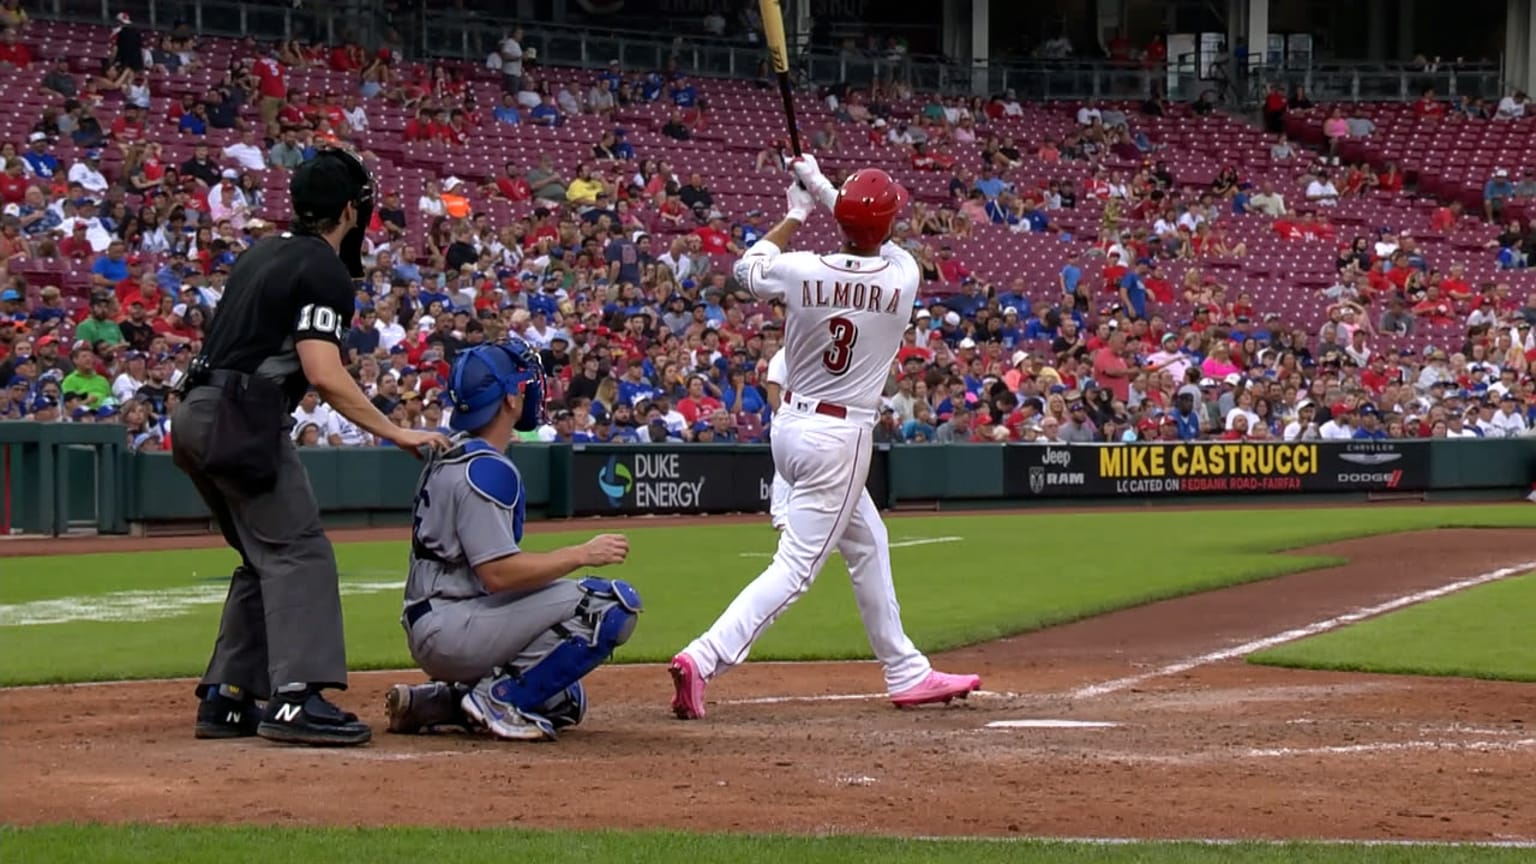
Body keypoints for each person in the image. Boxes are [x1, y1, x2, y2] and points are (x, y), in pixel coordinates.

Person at [668, 155, 981, 720]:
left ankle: (906, 669)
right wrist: (822, 185)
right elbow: (869, 230)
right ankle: (704, 655)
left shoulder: (801, 268)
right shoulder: (902, 274)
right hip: (841, 436)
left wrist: (795, 210)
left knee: (868, 542)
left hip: (789, 426)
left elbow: (747, 268)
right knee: (796, 568)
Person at [171, 147, 450, 747]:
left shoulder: (261, 254)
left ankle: (229, 696)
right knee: (300, 552)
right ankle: (297, 699)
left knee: (262, 554)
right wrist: (397, 430)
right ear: (351, 209)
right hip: (239, 415)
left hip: (192, 412)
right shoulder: (322, 269)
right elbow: (321, 371)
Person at [383, 340, 636, 741]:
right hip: (452, 624)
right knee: (609, 605)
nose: (527, 391)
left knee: (564, 700)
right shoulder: (486, 468)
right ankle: (495, 699)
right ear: (508, 399)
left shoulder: (450, 451)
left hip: (439, 614)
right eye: (521, 385)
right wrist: (581, 553)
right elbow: (497, 573)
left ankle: (435, 702)